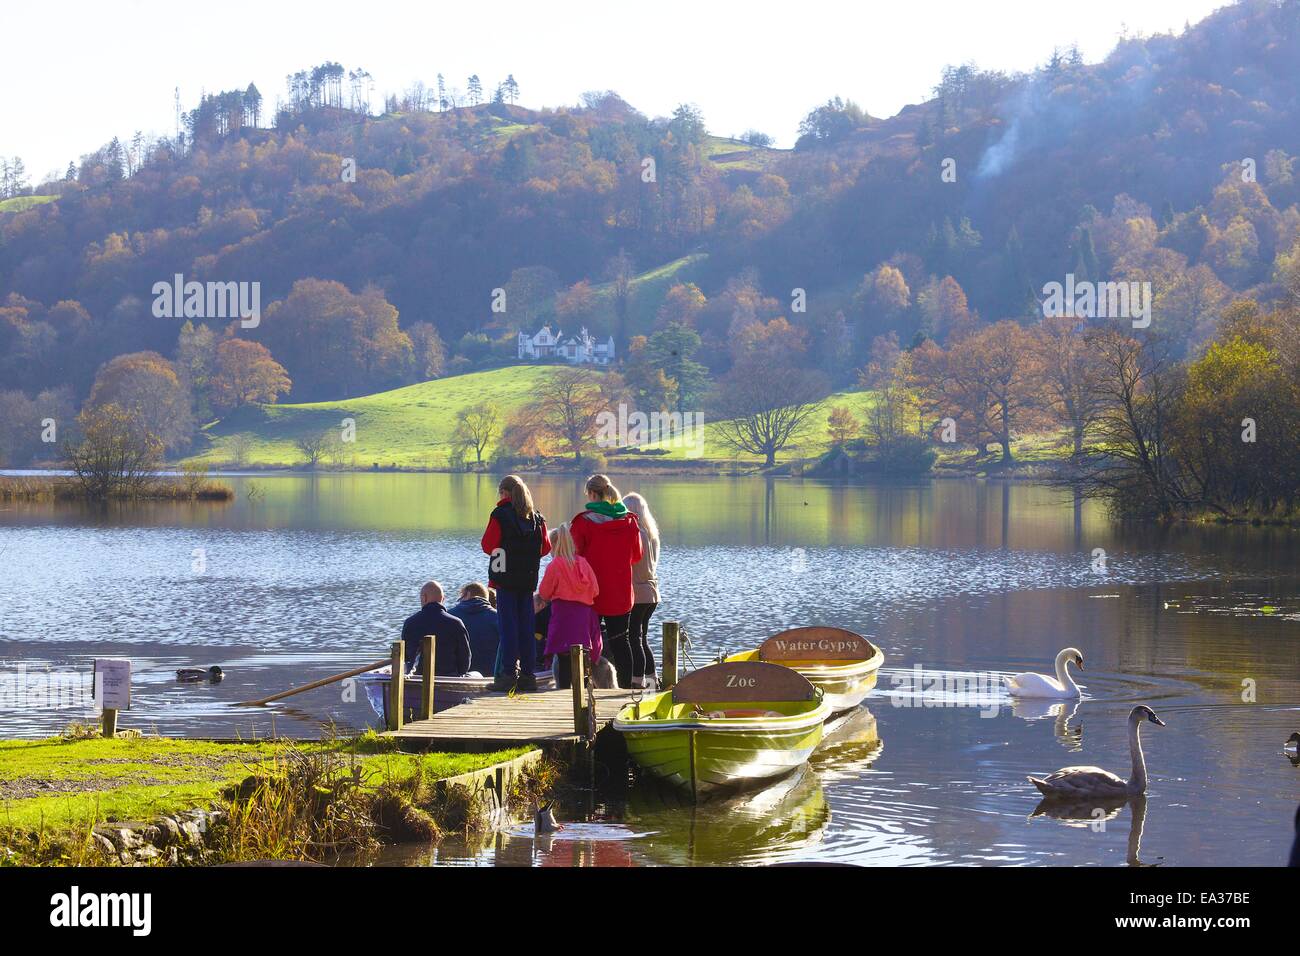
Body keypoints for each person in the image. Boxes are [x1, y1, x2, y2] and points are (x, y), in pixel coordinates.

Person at [570, 474, 643, 688]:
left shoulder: (583, 522)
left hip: (589, 593)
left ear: (592, 494)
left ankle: (583, 688)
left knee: (585, 643)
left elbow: (575, 556)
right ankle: (626, 690)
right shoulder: (629, 521)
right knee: (621, 642)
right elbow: (636, 556)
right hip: (619, 592)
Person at [481, 475, 550, 692]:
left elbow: (487, 544)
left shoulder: (500, 515)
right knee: (526, 628)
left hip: (504, 581)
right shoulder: (537, 518)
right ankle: (528, 675)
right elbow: (545, 548)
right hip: (528, 580)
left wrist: (505, 551)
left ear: (504, 493)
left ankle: (508, 675)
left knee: (508, 628)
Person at [537, 523, 601, 690]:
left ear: (554, 545)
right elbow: (595, 590)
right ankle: (586, 695)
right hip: (583, 617)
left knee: (564, 658)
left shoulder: (555, 565)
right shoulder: (583, 563)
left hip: (562, 616)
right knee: (582, 657)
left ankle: (564, 693)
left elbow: (544, 593)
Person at [623, 492, 660, 689]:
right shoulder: (652, 534)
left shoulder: (636, 534)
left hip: (637, 593)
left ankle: (637, 679)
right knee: (642, 638)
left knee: (634, 637)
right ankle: (653, 679)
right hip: (652, 592)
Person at [400, 581, 471, 677]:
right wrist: (459, 674)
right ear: (443, 599)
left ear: (424, 597)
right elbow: (465, 658)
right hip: (448, 677)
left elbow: (405, 657)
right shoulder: (456, 623)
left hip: (417, 677)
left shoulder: (410, 623)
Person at [449, 582, 498, 676]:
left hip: (459, 677)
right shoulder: (499, 618)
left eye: (461, 598)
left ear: (467, 594)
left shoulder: (450, 616)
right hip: (492, 677)